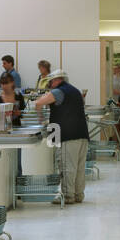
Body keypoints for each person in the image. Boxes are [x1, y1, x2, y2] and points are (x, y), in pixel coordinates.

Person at [32, 70, 89, 204]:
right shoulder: (75, 91)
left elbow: (38, 103)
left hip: (67, 135)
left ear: (56, 80)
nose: (50, 85)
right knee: (79, 167)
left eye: (50, 82)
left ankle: (68, 196)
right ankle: (78, 194)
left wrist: (40, 118)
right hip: (81, 134)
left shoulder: (59, 91)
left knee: (67, 166)